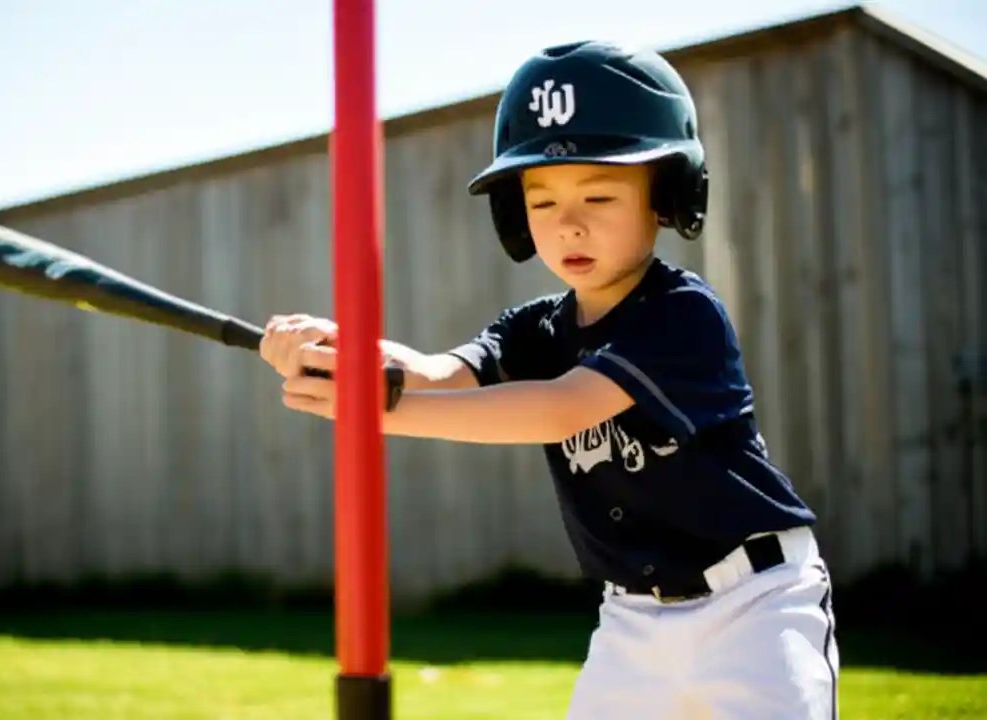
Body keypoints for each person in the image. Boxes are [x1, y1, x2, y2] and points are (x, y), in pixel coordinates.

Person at [260, 40, 839, 719]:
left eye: (599, 193)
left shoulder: (682, 315)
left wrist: (375, 411)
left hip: (755, 605)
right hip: (631, 623)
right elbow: (437, 372)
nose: (569, 223)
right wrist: (342, 353)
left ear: (667, 195)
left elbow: (559, 409)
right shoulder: (534, 328)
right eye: (541, 202)